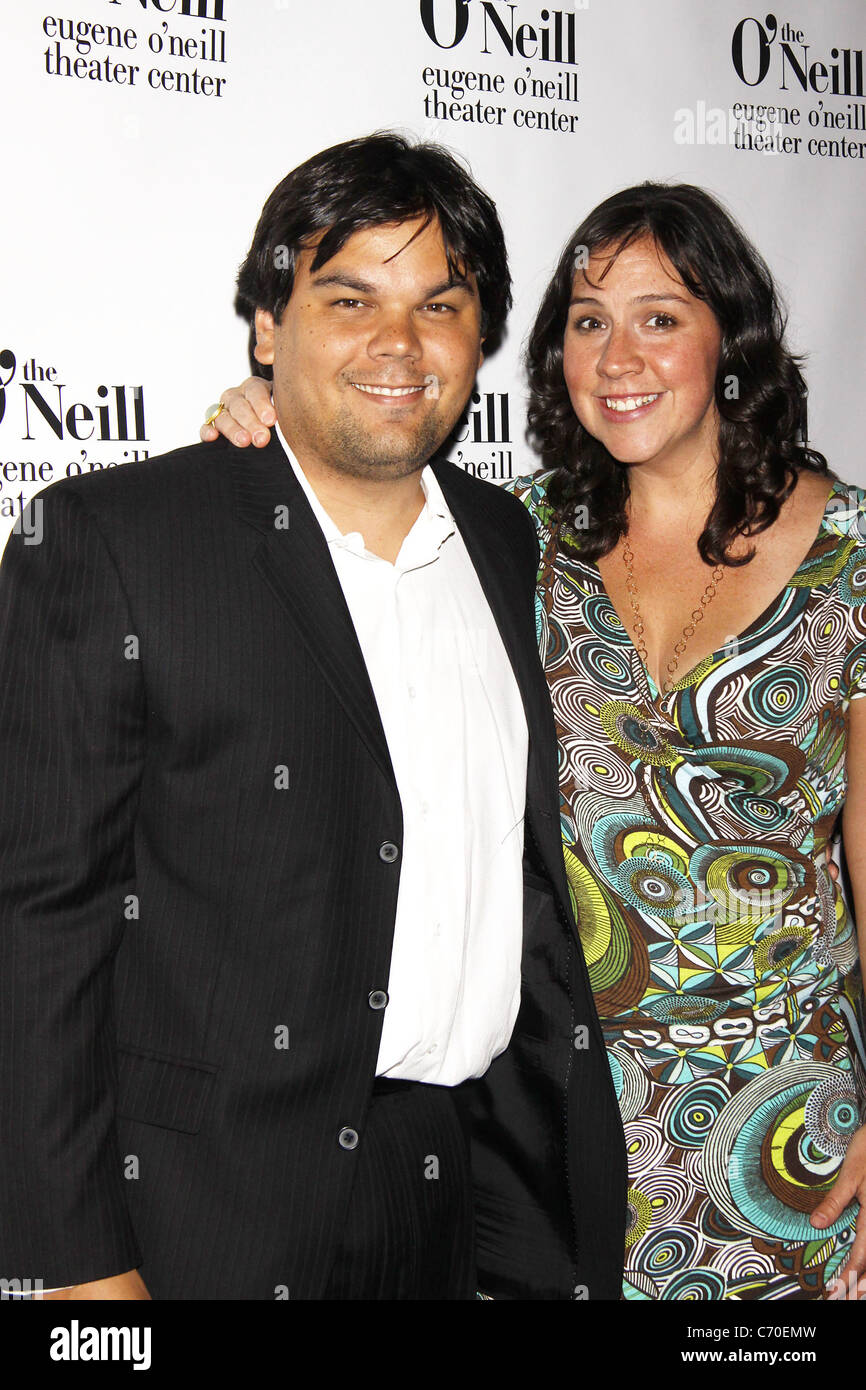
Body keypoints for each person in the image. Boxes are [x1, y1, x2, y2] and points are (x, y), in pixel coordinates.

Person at [211, 180, 866, 1300]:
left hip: (787, 1129)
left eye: (660, 317)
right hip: (546, 1134)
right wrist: (271, 413)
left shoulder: (847, 559)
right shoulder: (513, 539)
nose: (619, 355)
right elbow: (350, 493)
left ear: (731, 341)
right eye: (587, 319)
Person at [0, 133, 626, 1302]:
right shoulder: (115, 540)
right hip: (204, 1216)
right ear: (266, 327)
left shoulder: (504, 540)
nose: (398, 344)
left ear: (476, 337)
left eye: (438, 303)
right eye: (348, 298)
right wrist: (82, 1277)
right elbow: (37, 929)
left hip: (464, 1189)